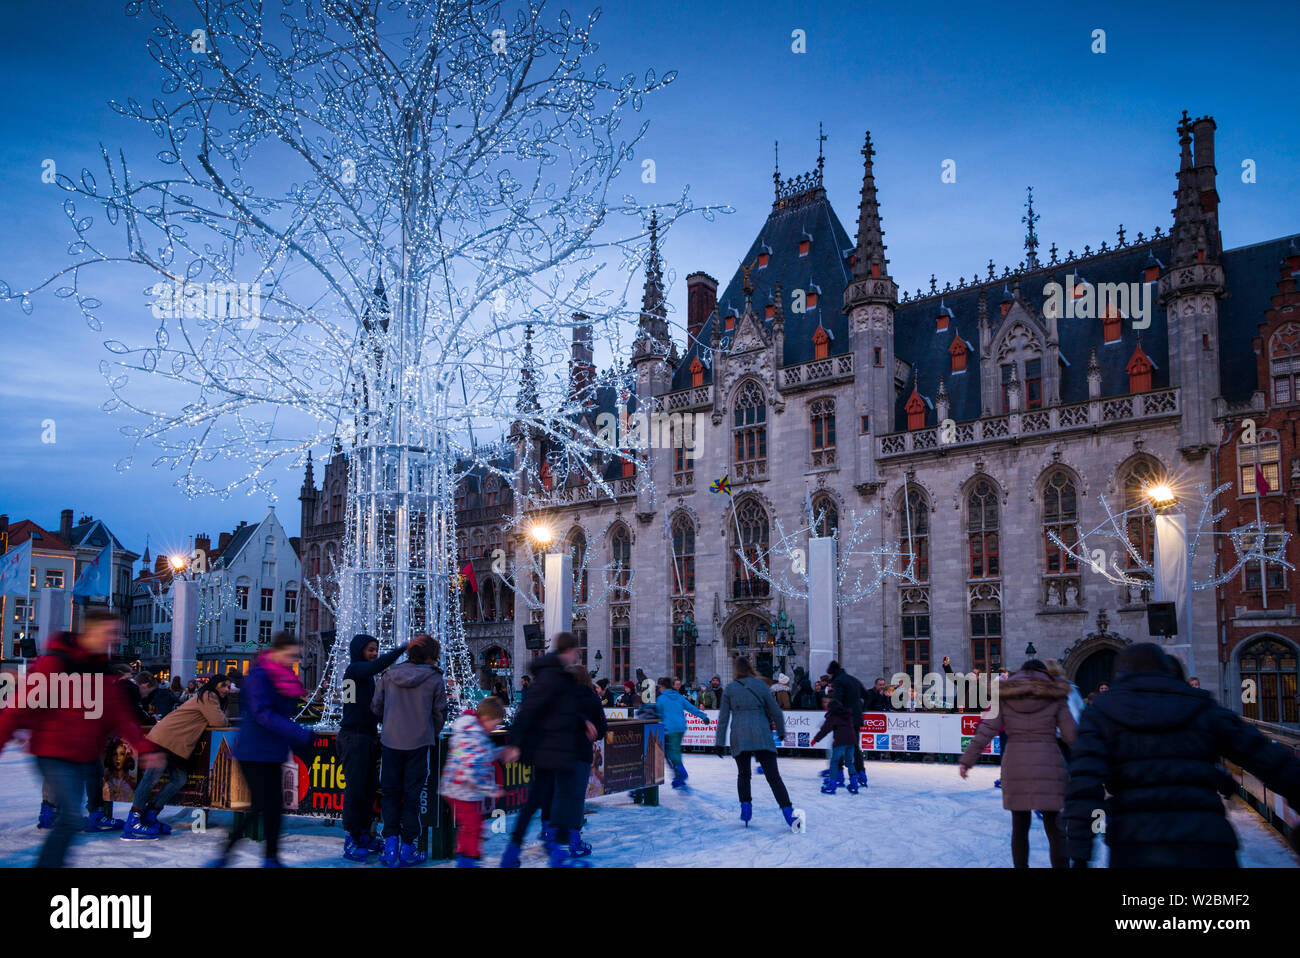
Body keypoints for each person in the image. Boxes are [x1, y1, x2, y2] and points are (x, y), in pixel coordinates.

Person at [1065, 643, 1300, 868]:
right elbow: (1267, 757)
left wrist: (1079, 853)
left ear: (1119, 675)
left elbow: (1084, 785)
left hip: (1136, 844)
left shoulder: (1101, 713)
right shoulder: (1202, 706)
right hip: (1206, 841)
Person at [0, 611, 160, 867]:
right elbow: (19, 707)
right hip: (53, 751)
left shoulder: (102, 668)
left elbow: (119, 714)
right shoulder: (57, 662)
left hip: (83, 754)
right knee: (70, 819)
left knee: (71, 820)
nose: (115, 637)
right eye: (110, 632)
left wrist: (144, 747)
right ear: (92, 632)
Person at [959, 659, 1077, 868]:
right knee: (1055, 828)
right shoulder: (1055, 695)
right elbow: (1072, 735)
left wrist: (967, 760)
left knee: (1020, 827)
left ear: (1020, 671)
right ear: (1044, 672)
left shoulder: (1005, 696)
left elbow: (986, 730)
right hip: (1048, 762)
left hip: (1015, 764)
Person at [210, 632, 312, 868]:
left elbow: (282, 713)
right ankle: (231, 853)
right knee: (262, 805)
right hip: (254, 751)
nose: (293, 660)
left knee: (272, 806)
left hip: (273, 750)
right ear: (277, 651)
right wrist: (299, 733)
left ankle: (269, 857)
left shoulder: (285, 678)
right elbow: (263, 714)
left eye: (296, 656)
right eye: (290, 655)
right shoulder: (260, 676)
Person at [503, 632, 595, 867]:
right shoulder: (554, 677)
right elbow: (530, 711)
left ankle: (530, 848)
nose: (577, 656)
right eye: (576, 651)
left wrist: (581, 722)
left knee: (541, 799)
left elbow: (560, 710)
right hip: (552, 750)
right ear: (570, 651)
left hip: (551, 749)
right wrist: (514, 742)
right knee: (552, 799)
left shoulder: (552, 676)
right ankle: (523, 850)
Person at [371, 634, 446, 867]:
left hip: (391, 741)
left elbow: (376, 707)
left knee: (390, 792)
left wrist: (391, 721)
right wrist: (430, 731)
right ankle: (408, 847)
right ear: (431, 656)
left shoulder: (389, 675)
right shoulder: (435, 679)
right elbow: (439, 713)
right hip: (419, 742)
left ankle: (391, 843)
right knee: (412, 796)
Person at [125, 674, 230, 838]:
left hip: (175, 743)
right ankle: (134, 819)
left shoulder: (207, 696)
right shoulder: (208, 696)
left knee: (179, 779)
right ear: (214, 685)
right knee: (151, 778)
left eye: (229, 686)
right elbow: (219, 722)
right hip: (165, 739)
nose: (226, 689)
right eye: (223, 685)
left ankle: (150, 815)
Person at [338, 633, 408, 862]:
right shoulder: (355, 669)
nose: (374, 653)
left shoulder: (363, 675)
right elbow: (377, 666)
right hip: (354, 738)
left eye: (376, 649)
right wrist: (402, 649)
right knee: (355, 789)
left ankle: (363, 834)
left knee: (368, 790)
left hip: (366, 737)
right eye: (370, 649)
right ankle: (351, 837)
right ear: (359, 651)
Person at [714, 657, 796, 828]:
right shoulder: (761, 686)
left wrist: (719, 743)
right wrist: (781, 731)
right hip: (761, 733)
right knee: (773, 776)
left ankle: (746, 807)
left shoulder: (730, 689)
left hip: (740, 735)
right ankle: (787, 811)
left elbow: (723, 719)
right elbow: (776, 711)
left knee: (744, 775)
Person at [439, 696, 518, 867]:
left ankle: (466, 857)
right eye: (495, 724)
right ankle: (468, 860)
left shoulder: (473, 732)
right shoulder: (474, 736)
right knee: (473, 826)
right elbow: (472, 768)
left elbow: (480, 756)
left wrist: (500, 752)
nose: (495, 728)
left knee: (471, 826)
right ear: (486, 719)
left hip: (462, 788)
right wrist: (491, 789)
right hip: (462, 789)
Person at [566, 665, 607, 855]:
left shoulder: (562, 697)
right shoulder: (592, 698)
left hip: (559, 751)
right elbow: (602, 729)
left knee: (559, 793)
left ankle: (553, 833)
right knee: (576, 796)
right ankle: (574, 839)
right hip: (581, 752)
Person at [655, 675, 707, 789]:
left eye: (660, 687)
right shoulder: (679, 697)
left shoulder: (661, 698)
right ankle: (678, 777)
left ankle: (681, 773)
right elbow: (691, 708)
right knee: (675, 750)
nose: (659, 689)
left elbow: (657, 714)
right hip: (681, 727)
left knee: (670, 753)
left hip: (669, 729)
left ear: (663, 687)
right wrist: (703, 716)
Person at [826, 661, 867, 789]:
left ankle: (838, 777)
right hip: (856, 719)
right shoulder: (853, 680)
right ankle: (861, 775)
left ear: (832, 673)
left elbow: (838, 700)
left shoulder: (839, 681)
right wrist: (860, 710)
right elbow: (867, 695)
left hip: (844, 721)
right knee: (854, 748)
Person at [812, 695, 858, 794]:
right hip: (852, 741)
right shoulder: (848, 714)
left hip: (840, 742)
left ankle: (832, 784)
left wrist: (815, 739)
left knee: (834, 762)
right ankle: (854, 783)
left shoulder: (833, 716)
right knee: (850, 762)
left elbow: (825, 730)